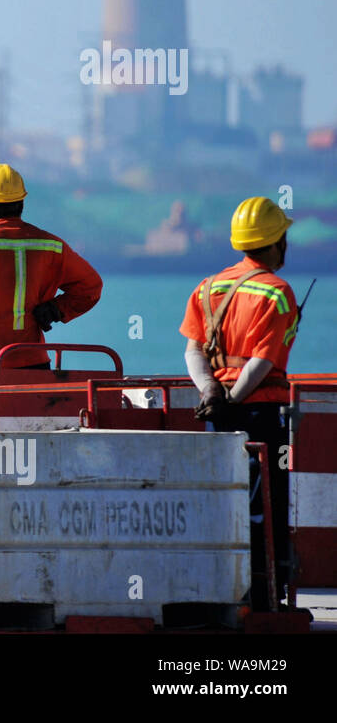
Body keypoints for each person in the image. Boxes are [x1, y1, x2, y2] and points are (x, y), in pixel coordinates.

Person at [180, 196, 298, 610]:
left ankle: (221, 592)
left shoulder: (208, 287)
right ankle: (263, 596)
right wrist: (232, 398)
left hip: (217, 416)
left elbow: (193, 350)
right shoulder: (277, 293)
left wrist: (212, 393)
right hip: (258, 413)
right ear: (275, 242)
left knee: (221, 499)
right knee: (263, 503)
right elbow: (264, 362)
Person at [0, 164, 103, 431]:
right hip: (34, 366)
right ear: (21, 203)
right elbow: (91, 286)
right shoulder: (51, 245)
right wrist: (56, 309)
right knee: (34, 446)